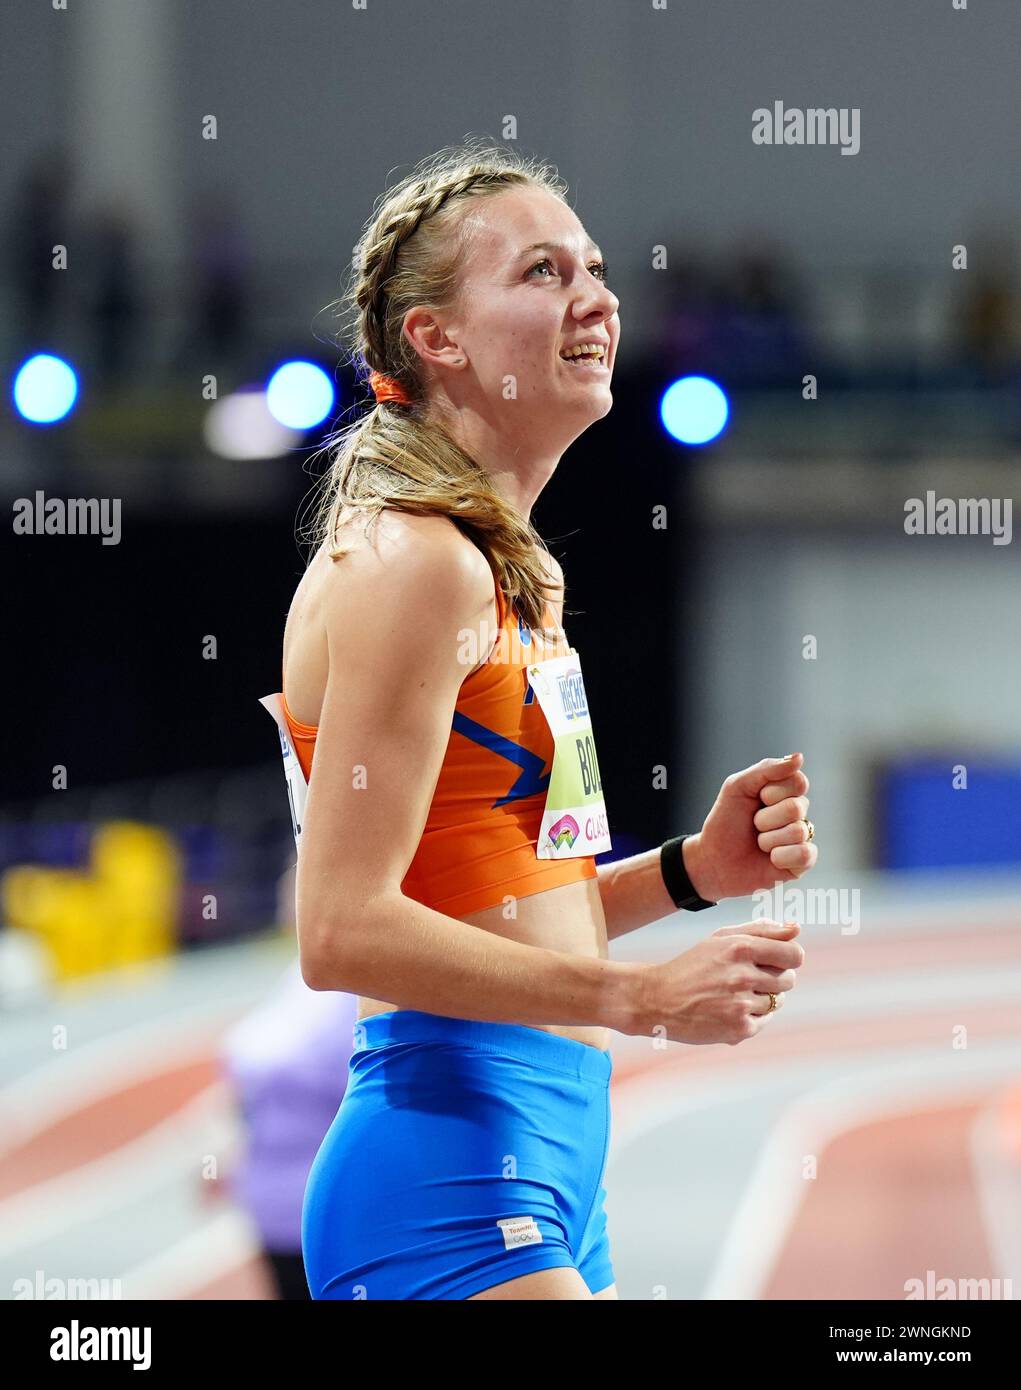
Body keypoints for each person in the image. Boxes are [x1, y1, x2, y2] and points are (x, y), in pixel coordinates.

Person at [279, 139, 817, 1301]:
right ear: (438, 339)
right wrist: (644, 999)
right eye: (542, 272)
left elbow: (509, 904)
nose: (598, 298)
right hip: (448, 1170)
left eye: (596, 267)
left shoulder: (506, 570)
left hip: (551, 1157)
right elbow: (338, 931)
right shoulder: (411, 566)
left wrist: (686, 874)